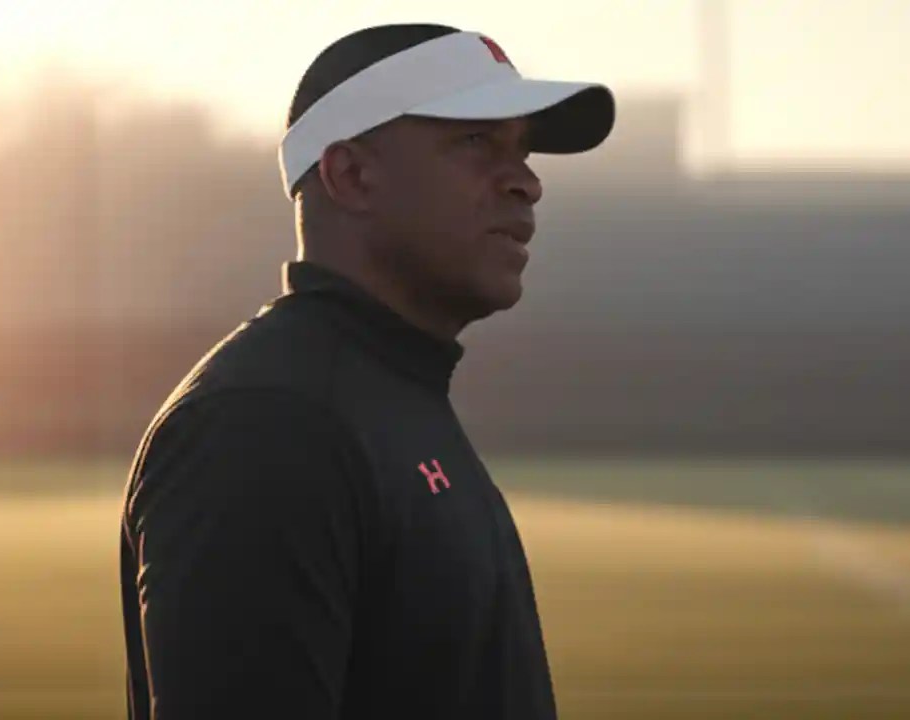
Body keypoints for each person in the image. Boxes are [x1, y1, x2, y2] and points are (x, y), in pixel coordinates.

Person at [119, 23, 615, 720]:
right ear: (350, 174)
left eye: (524, 150)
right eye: (475, 141)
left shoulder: (381, 397)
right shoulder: (267, 424)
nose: (526, 183)